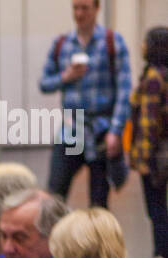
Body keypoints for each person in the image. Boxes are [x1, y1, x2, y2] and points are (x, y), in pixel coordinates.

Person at [39, 0, 132, 208]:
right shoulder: (62, 44)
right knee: (54, 195)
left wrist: (116, 131)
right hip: (72, 129)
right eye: (75, 8)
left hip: (101, 129)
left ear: (97, 9)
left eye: (84, 8)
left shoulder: (112, 42)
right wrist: (66, 76)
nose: (79, 14)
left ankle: (95, 239)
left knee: (98, 202)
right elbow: (44, 83)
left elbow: (124, 91)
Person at [130, 25, 168, 258]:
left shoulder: (154, 77)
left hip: (155, 157)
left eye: (146, 41)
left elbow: (148, 122)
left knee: (156, 211)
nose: (142, 46)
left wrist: (143, 160)